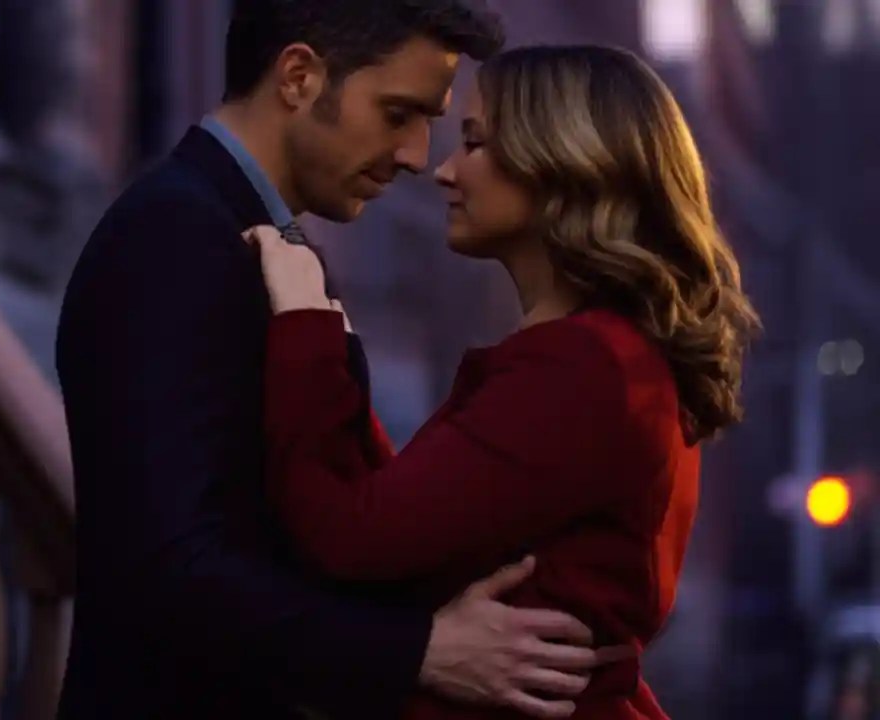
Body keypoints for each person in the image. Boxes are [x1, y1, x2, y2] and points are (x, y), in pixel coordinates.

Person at [56, 3, 619, 718]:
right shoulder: (176, 237)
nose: (417, 155)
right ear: (298, 77)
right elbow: (171, 567)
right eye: (397, 114)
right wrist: (419, 650)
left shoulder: (247, 237)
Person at [248, 45, 762, 719]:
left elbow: (347, 538)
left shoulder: (581, 369)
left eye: (475, 142)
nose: (444, 170)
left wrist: (303, 328)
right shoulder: (606, 358)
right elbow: (407, 510)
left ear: (564, 162)